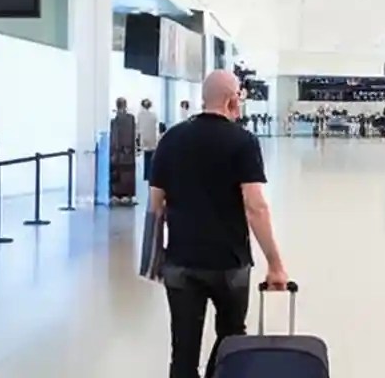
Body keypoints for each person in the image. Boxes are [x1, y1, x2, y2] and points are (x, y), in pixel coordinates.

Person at [150, 70, 289, 378]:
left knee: (182, 351)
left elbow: (155, 204)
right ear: (231, 100)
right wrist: (275, 263)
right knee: (231, 341)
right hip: (230, 263)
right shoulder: (243, 141)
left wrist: (155, 259)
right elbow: (256, 206)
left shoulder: (171, 138)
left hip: (181, 261)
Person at [110, 98, 138, 205]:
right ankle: (128, 195)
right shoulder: (130, 119)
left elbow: (114, 138)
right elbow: (132, 135)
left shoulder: (115, 121)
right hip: (128, 152)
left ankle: (117, 195)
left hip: (117, 154)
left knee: (118, 174)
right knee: (128, 174)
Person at [138, 99, 160, 181]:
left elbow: (138, 128)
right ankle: (150, 174)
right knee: (151, 158)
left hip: (144, 139)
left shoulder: (140, 115)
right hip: (152, 139)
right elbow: (156, 127)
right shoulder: (154, 115)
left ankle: (146, 174)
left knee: (146, 157)